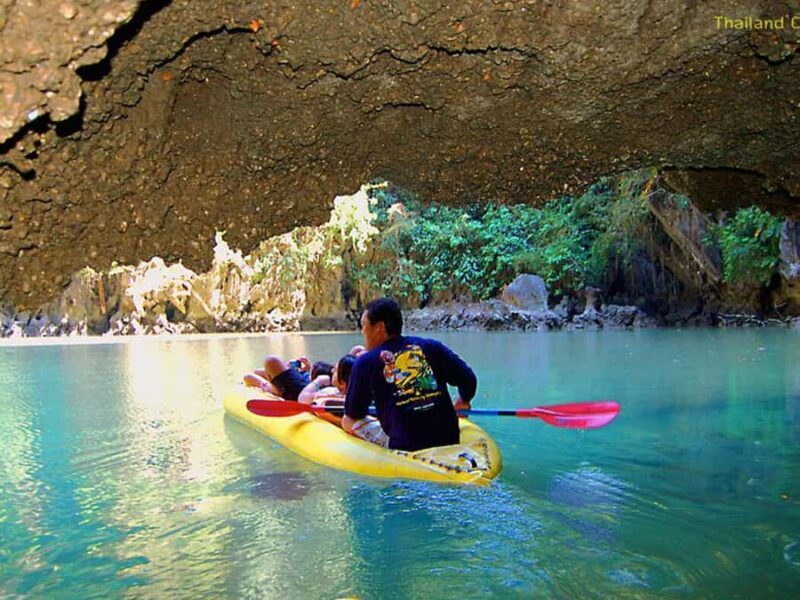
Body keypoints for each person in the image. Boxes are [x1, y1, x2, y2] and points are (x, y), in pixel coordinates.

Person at [342, 297, 476, 451]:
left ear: (379, 327)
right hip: (448, 438)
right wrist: (464, 400)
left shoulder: (365, 362)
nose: (362, 331)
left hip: (406, 446)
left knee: (347, 420)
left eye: (364, 325)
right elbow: (468, 379)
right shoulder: (431, 346)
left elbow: (354, 412)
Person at [298, 354, 389, 447]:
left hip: (378, 428)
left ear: (342, 383)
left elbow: (304, 400)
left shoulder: (328, 394)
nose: (332, 370)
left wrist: (318, 381)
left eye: (336, 371)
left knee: (347, 420)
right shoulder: (368, 390)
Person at [243, 355, 324, 401]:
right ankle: (273, 385)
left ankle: (272, 388)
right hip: (307, 382)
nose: (334, 369)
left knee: (248, 377)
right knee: (257, 372)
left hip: (298, 389)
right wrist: (307, 371)